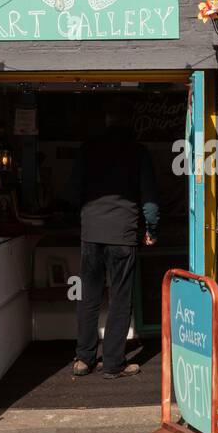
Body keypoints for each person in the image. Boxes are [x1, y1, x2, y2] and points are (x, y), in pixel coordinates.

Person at [66, 101, 159, 379]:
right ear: (131, 122)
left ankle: (84, 359)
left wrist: (84, 219)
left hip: (92, 234)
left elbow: (71, 191)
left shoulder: (88, 149)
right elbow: (150, 199)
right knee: (120, 298)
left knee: (89, 296)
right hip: (123, 234)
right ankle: (113, 363)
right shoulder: (138, 152)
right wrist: (151, 230)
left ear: (107, 120)